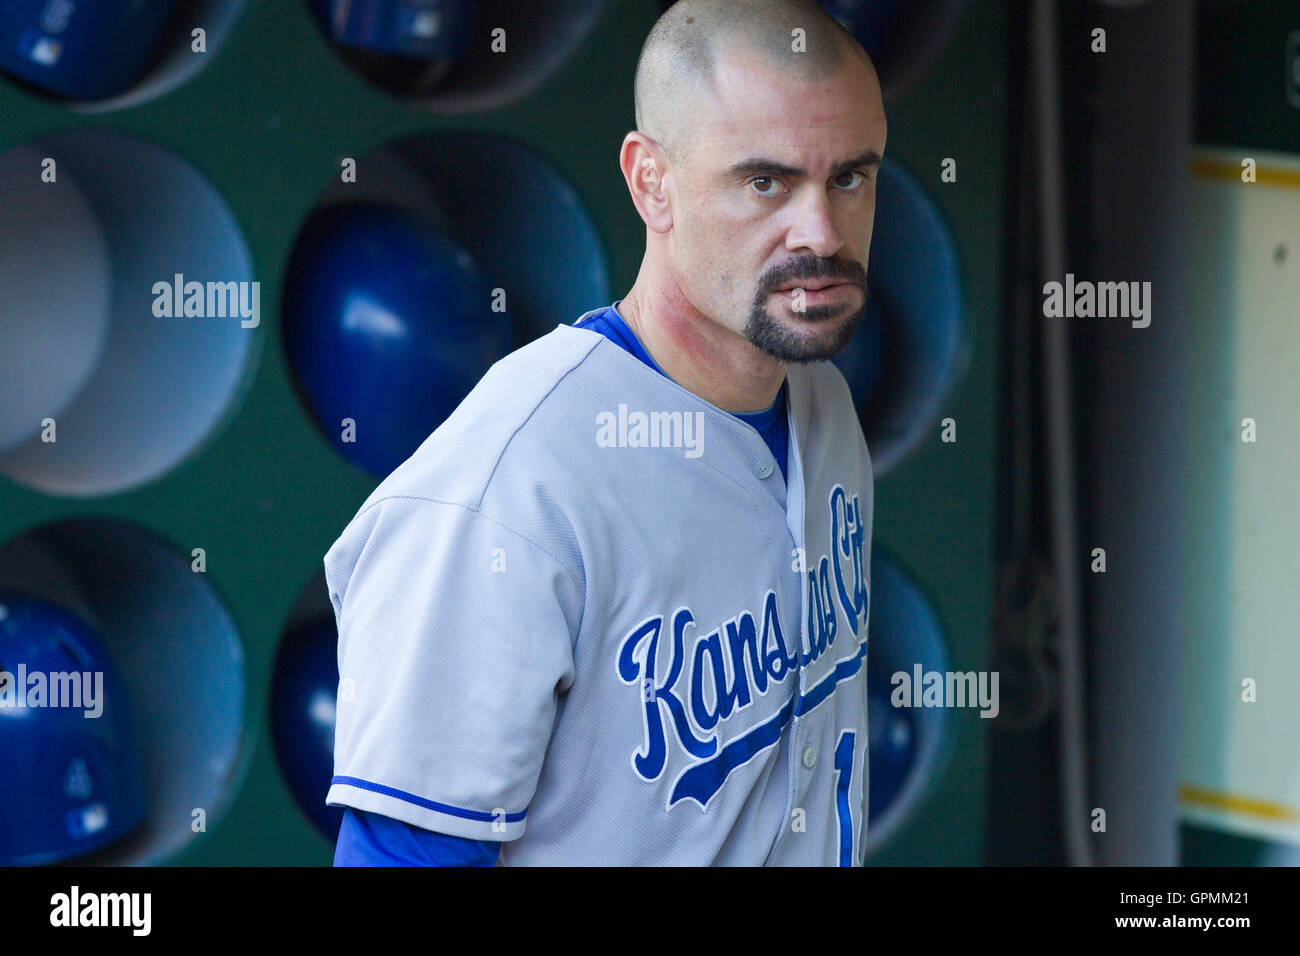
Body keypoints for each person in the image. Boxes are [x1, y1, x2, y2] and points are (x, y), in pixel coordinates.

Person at [326, 0, 885, 866]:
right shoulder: (507, 491)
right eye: (765, 181)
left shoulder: (824, 405)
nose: (821, 233)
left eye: (849, 177)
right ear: (651, 182)